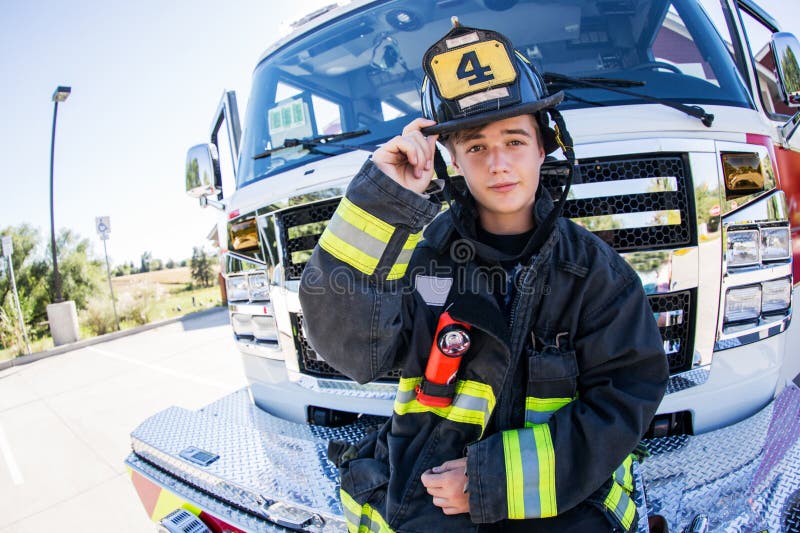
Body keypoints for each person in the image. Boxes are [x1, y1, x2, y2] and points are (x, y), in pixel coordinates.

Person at [299, 20, 668, 533]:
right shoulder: (424, 260)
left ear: (545, 147)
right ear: (452, 160)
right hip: (428, 497)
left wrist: (489, 479)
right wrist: (382, 204)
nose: (498, 164)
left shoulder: (596, 275)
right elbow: (355, 353)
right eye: (475, 147)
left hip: (563, 499)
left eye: (515, 140)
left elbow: (625, 400)